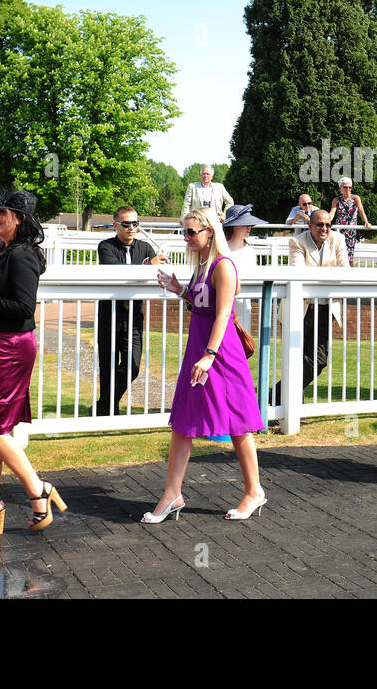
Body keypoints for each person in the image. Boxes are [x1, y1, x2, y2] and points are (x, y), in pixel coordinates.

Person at [0, 190, 66, 536]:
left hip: (11, 348)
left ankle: (37, 489)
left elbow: (22, 308)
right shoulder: (7, 254)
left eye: (3, 212)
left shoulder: (23, 257)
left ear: (19, 219)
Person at [146, 210, 266, 522]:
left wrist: (210, 355)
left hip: (221, 353)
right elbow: (202, 304)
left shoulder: (223, 265)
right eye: (184, 232)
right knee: (183, 420)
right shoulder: (200, 263)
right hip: (200, 347)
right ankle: (172, 493)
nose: (186, 238)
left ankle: (254, 491)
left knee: (238, 420)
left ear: (210, 231)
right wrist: (180, 290)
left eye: (191, 232)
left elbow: (223, 314)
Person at [93, 206, 169, 417]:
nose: (131, 228)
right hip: (109, 316)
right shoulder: (105, 246)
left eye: (135, 224)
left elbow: (157, 272)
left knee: (132, 366)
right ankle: (109, 412)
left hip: (134, 318)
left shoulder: (145, 248)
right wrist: (147, 265)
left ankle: (103, 405)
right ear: (116, 224)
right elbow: (116, 270)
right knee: (107, 367)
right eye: (126, 224)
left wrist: (154, 264)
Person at [278, 208, 350, 403]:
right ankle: (292, 406)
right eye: (320, 224)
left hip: (326, 308)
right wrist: (328, 276)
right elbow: (299, 273)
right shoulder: (297, 241)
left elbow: (345, 272)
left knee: (319, 361)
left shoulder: (338, 240)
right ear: (310, 225)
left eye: (328, 224)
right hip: (299, 307)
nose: (324, 228)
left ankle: (275, 395)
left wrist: (320, 277)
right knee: (296, 357)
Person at [329, 177, 371, 262]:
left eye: (350, 187)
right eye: (345, 187)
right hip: (339, 230)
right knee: (338, 255)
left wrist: (366, 222)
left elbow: (361, 210)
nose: (348, 189)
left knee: (349, 257)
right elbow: (332, 213)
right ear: (340, 188)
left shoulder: (355, 198)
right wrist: (326, 223)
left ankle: (350, 274)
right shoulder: (336, 200)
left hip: (351, 231)